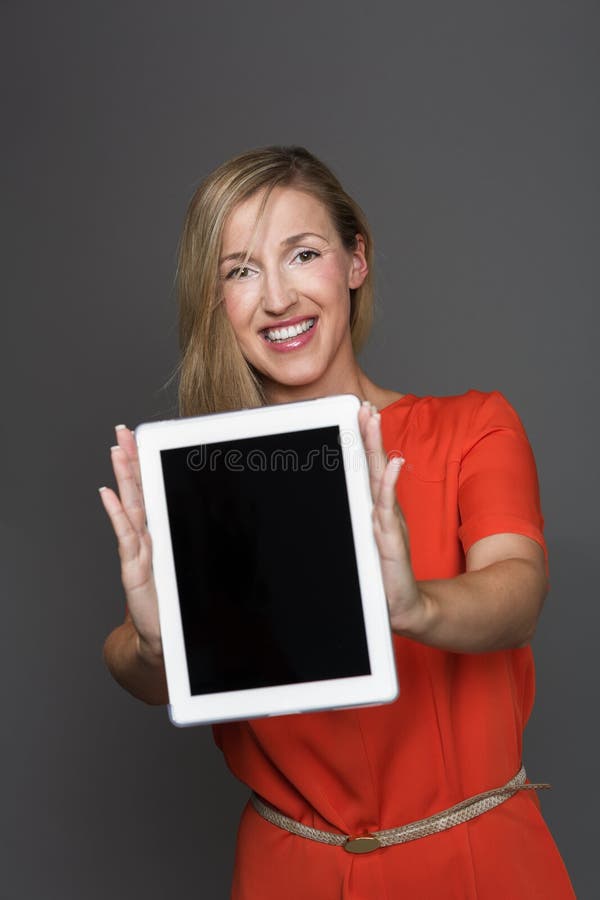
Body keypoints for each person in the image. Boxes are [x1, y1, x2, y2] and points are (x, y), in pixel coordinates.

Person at [100, 145, 575, 898]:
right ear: (215, 299)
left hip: (479, 863)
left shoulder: (474, 426)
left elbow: (518, 590)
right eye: (241, 271)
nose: (278, 298)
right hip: (289, 873)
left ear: (356, 261)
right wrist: (158, 645)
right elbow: (136, 665)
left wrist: (415, 607)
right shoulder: (205, 471)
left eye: (304, 254)